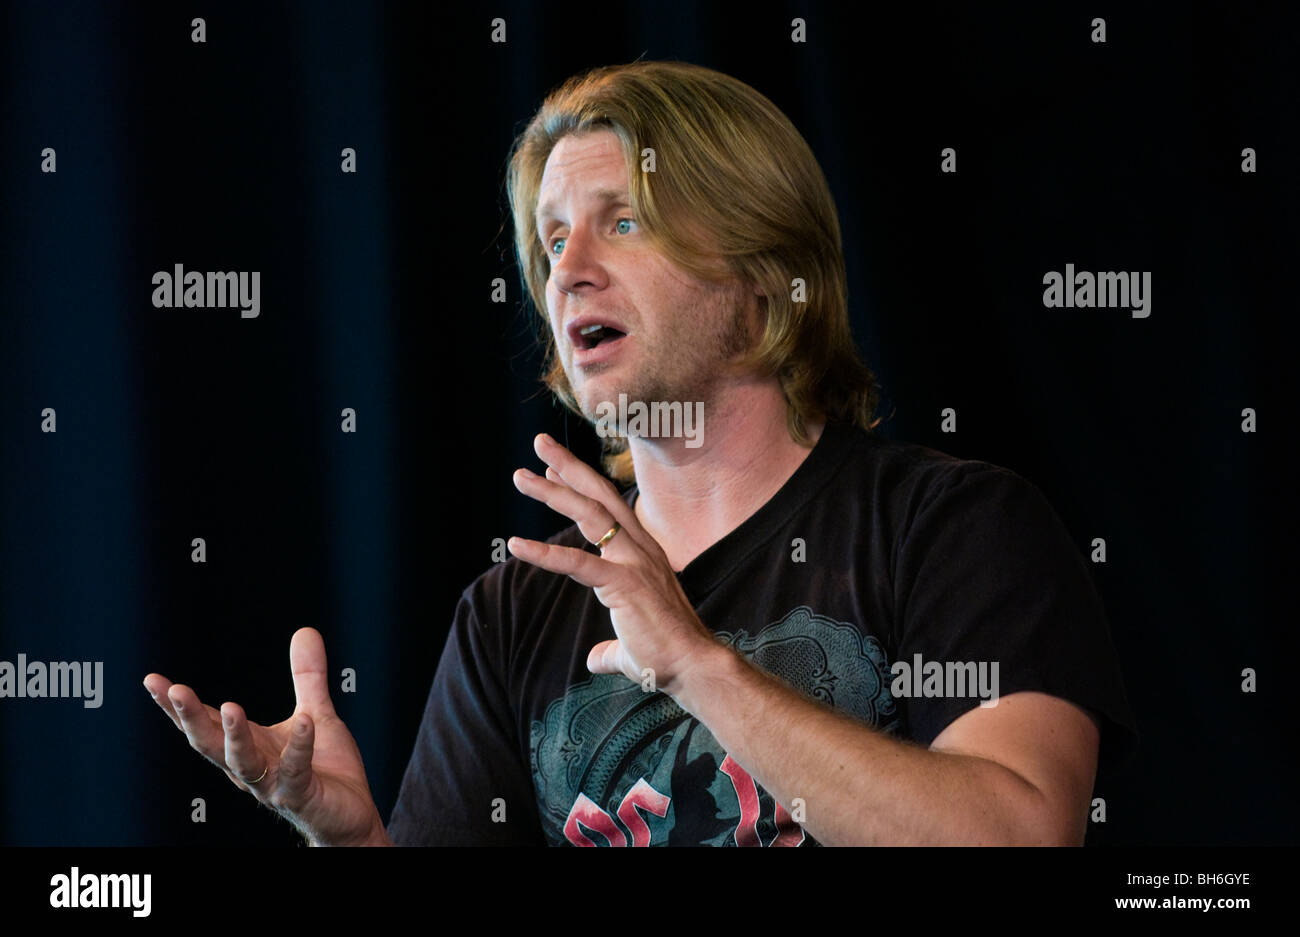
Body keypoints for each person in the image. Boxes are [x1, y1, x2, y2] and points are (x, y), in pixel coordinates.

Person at [145, 60, 1137, 847]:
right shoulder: (514, 612)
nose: (568, 272)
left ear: (761, 271)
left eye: (623, 222)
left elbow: (1017, 832)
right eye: (551, 241)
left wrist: (697, 666)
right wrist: (351, 842)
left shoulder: (949, 527)